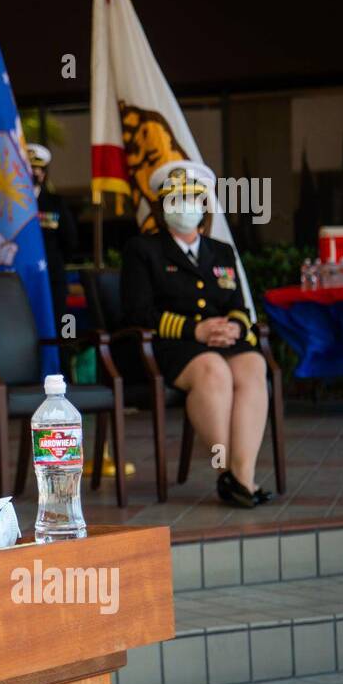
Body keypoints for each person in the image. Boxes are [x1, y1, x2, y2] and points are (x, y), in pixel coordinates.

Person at [120, 161, 272, 509]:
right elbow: (138, 312)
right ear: (162, 207)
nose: (184, 207)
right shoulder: (143, 250)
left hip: (222, 341)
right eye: (175, 200)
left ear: (204, 204)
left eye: (192, 198)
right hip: (173, 344)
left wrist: (233, 325)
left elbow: (239, 305)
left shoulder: (221, 251)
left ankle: (243, 477)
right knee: (213, 371)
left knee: (252, 366)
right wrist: (196, 329)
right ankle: (225, 472)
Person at [27, 143, 80, 331]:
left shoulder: (55, 203)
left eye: (39, 168)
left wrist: (55, 262)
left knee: (60, 327)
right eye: (30, 167)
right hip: (22, 278)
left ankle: (62, 360)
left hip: (52, 278)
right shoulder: (12, 205)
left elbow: (70, 241)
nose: (35, 172)